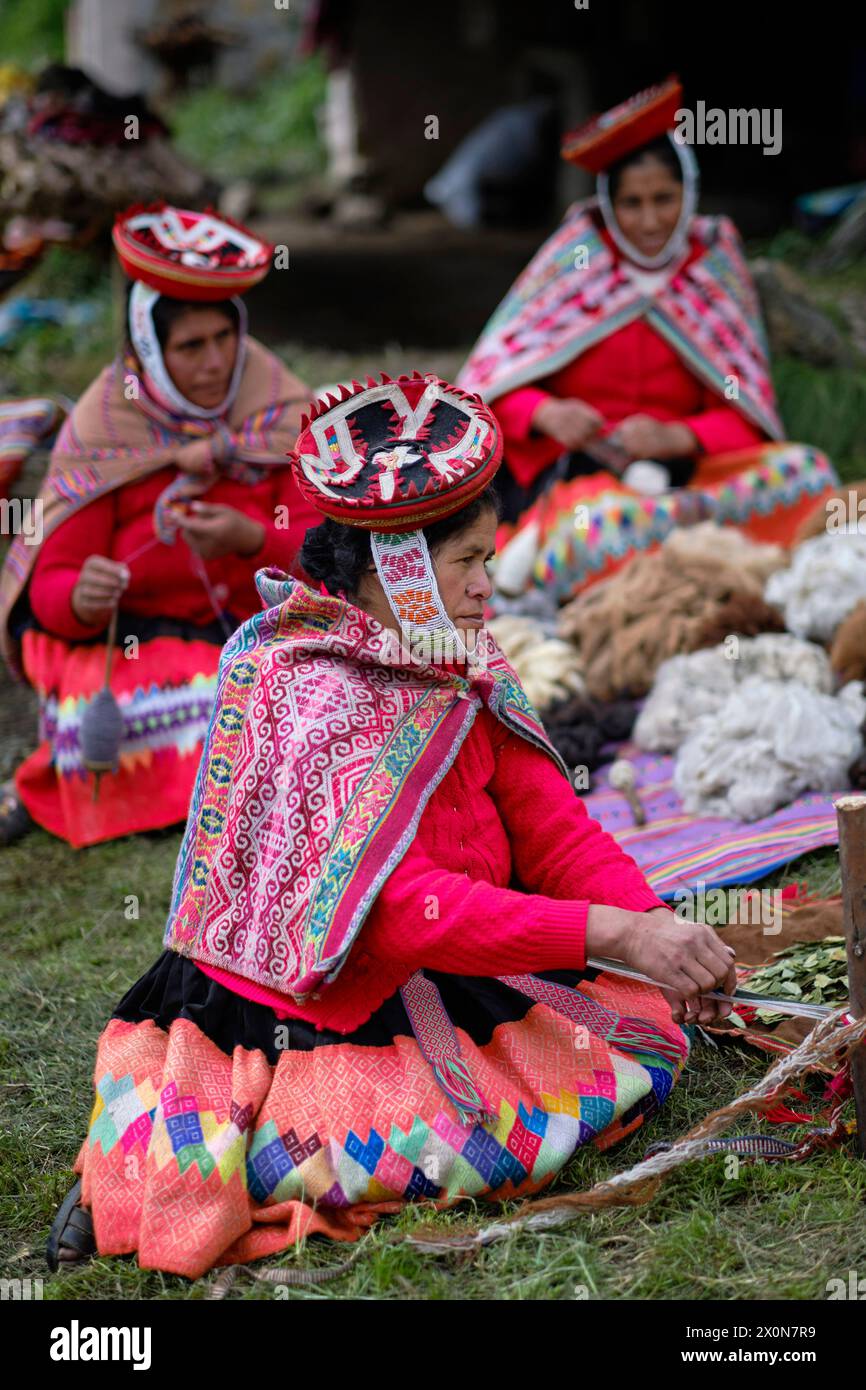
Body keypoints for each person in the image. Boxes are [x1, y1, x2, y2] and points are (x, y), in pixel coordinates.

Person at [46, 372, 736, 1278]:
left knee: (628, 1055)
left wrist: (655, 930)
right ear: (401, 569)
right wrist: (609, 934)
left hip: (456, 950)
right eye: (469, 564)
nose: (491, 589)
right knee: (398, 1148)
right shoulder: (313, 687)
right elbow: (400, 912)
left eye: (490, 559)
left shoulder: (461, 659)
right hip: (313, 994)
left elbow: (554, 832)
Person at [0, 203, 319, 848]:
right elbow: (50, 589)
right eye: (189, 347)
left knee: (303, 690)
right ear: (149, 348)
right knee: (201, 706)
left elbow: (330, 553)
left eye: (224, 339)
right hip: (139, 650)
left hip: (266, 636)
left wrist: (253, 540)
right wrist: (82, 602)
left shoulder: (278, 407)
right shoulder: (107, 429)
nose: (213, 362)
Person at [459, 77, 839, 603]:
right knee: (598, 529)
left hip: (690, 478)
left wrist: (677, 437)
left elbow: (742, 413)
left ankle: (655, 551)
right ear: (609, 205)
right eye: (632, 203)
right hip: (578, 480)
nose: (650, 220)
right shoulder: (575, 262)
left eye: (664, 199)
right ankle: (685, 556)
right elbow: (489, 387)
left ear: (690, 194)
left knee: (809, 473)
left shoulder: (712, 268)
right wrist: (547, 413)